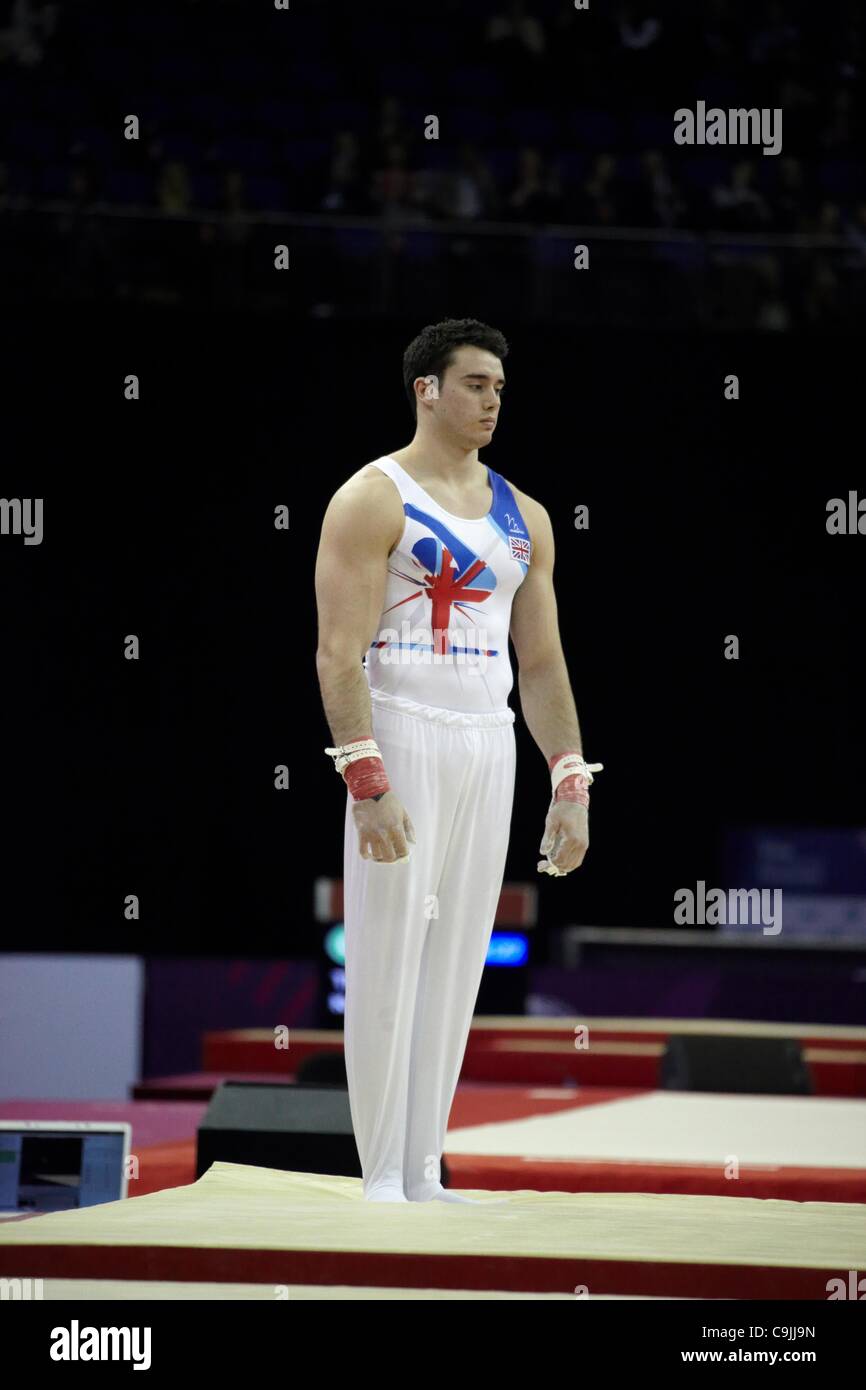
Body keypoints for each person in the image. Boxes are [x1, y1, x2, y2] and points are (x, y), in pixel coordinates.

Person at [314, 318, 601, 1202]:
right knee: (390, 949)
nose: (491, 401)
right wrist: (368, 780)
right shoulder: (374, 497)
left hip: (487, 737)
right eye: (474, 383)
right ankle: (380, 1176)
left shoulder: (526, 516)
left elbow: (544, 664)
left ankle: (426, 1168)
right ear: (426, 389)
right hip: (401, 726)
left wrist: (569, 780)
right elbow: (337, 651)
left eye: (500, 388)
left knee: (461, 958)